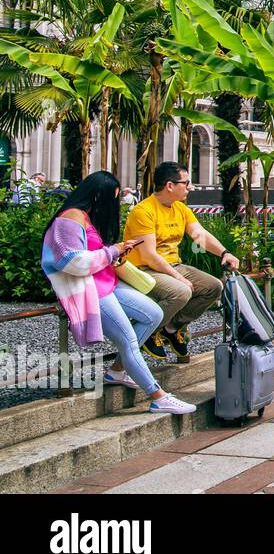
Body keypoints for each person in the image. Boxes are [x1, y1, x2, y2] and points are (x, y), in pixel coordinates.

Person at [40, 171, 196, 414]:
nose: (113, 205)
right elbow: (72, 261)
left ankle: (117, 371)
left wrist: (114, 251)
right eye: (111, 199)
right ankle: (158, 396)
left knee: (153, 313)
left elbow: (91, 254)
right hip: (90, 290)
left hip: (106, 283)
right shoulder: (69, 219)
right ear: (97, 196)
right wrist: (113, 251)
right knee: (129, 341)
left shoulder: (84, 216)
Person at [123, 162, 237, 364]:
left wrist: (224, 253)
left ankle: (171, 328)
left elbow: (199, 235)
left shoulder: (180, 209)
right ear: (169, 185)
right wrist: (178, 278)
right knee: (181, 291)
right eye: (186, 183)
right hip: (145, 269)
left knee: (214, 287)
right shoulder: (143, 211)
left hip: (173, 266)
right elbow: (149, 255)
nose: (189, 187)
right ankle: (149, 331)